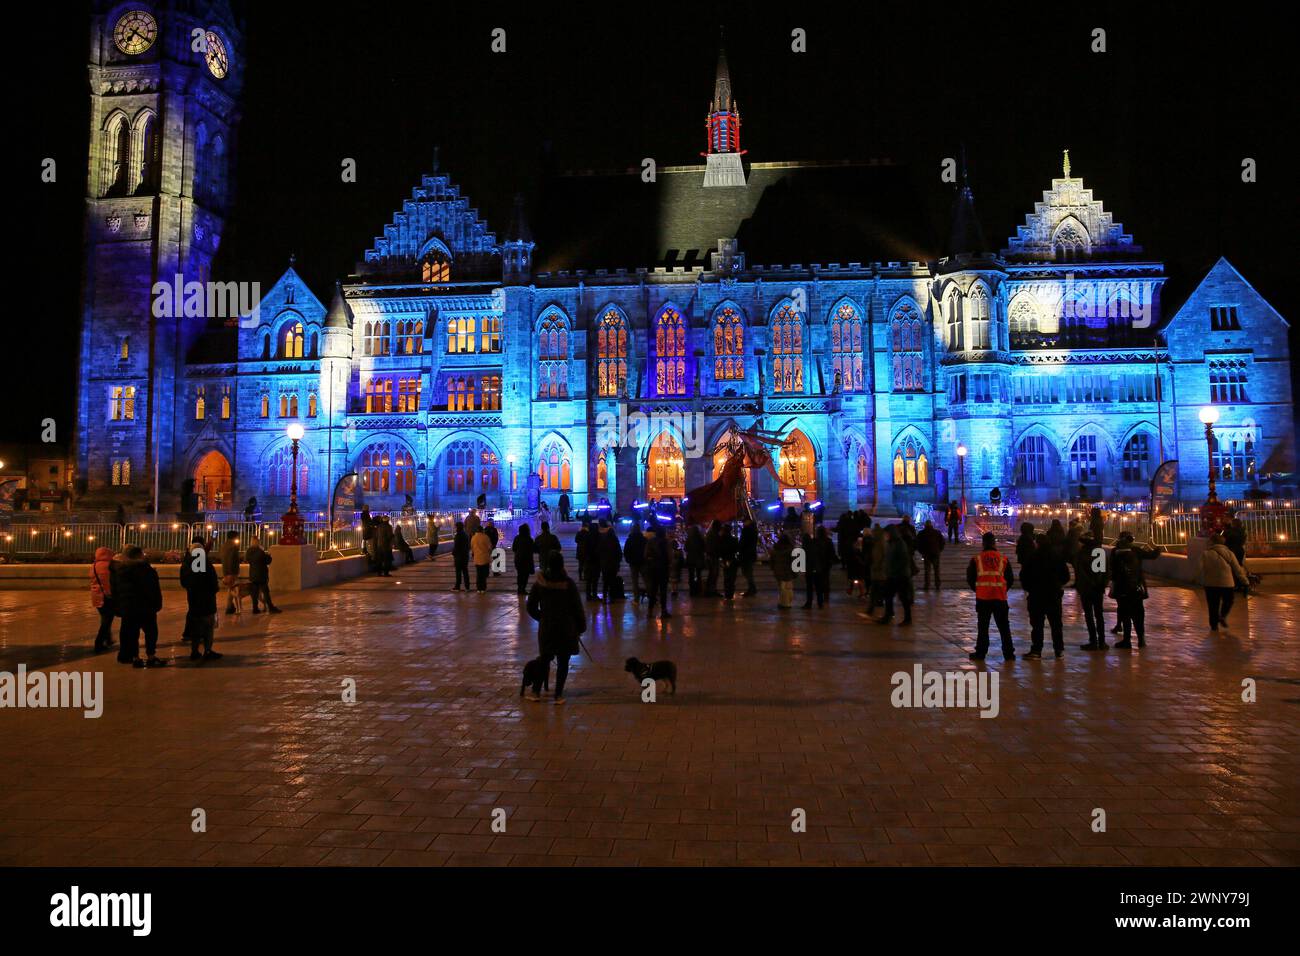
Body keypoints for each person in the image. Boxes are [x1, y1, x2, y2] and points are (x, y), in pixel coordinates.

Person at [525, 550, 587, 704]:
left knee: (544, 660)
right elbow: (577, 608)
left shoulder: (540, 583)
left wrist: (542, 617)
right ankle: (558, 694)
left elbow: (531, 605)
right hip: (565, 628)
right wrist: (580, 626)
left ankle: (536, 692)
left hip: (547, 627)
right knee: (563, 662)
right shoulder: (568, 584)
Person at [113, 545, 165, 668]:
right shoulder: (147, 570)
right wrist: (157, 604)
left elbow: (116, 591)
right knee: (151, 632)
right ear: (140, 555)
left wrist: (119, 608)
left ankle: (135, 658)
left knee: (132, 634)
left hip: (129, 608)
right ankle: (151, 656)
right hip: (146, 607)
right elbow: (154, 590)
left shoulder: (121, 571)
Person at [966, 532, 1015, 662]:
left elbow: (970, 578)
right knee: (1004, 627)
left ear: (983, 543)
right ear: (994, 543)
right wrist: (1003, 589)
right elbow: (1010, 578)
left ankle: (981, 653)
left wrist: (978, 589)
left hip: (983, 598)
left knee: (983, 627)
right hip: (1000, 597)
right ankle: (1009, 654)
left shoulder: (977, 559)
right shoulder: (1003, 558)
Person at [1109, 531, 1161, 649]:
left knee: (1125, 614)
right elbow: (1152, 555)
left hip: (1122, 590)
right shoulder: (1136, 551)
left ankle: (1126, 640)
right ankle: (1141, 639)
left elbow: (1112, 571)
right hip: (1137, 588)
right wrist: (1157, 547)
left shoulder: (1115, 553)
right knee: (1138, 614)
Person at [1022, 536, 1070, 658]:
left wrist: (1030, 588)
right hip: (1053, 595)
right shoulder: (1057, 557)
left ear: (1037, 543)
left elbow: (1024, 576)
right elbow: (1066, 576)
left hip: (1036, 595)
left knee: (1037, 625)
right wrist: (1057, 585)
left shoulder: (1032, 557)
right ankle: (1059, 650)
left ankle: (1037, 650)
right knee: (1056, 624)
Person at [179, 536, 222, 662]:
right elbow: (212, 581)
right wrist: (213, 590)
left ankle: (194, 651)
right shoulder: (205, 563)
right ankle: (207, 650)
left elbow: (184, 582)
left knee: (196, 627)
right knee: (208, 627)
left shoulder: (186, 563)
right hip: (207, 601)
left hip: (193, 599)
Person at [1201, 532, 1248, 633]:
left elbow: (1199, 569)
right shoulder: (1229, 553)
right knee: (1229, 600)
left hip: (1210, 584)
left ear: (1212, 542)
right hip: (1226, 583)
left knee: (1213, 605)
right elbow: (1237, 569)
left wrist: (1202, 579)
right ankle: (1223, 615)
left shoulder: (1206, 553)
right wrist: (1245, 581)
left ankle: (1214, 626)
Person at [1073, 531, 1110, 650]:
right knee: (1099, 615)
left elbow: (1081, 572)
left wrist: (1083, 585)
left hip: (1086, 589)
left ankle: (1093, 641)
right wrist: (1102, 584)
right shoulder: (1100, 552)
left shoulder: (1082, 553)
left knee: (1089, 615)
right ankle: (1102, 641)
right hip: (1098, 589)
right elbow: (1105, 572)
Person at [878, 525, 914, 626]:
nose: (885, 536)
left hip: (901, 575)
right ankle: (888, 615)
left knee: (903, 598)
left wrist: (894, 570)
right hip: (892, 575)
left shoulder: (899, 543)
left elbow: (903, 560)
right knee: (888, 595)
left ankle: (908, 619)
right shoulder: (890, 543)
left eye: (887, 534)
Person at [89, 545, 117, 652]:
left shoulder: (94, 565)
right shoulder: (108, 566)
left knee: (105, 618)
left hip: (96, 595)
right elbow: (107, 582)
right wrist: (110, 594)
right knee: (107, 620)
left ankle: (108, 639)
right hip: (105, 596)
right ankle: (99, 643)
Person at [802, 525, 837, 609]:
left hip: (812, 567)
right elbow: (831, 554)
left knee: (810, 586)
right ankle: (821, 601)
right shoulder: (828, 541)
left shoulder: (813, 542)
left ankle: (809, 602)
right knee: (820, 585)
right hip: (822, 566)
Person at [245, 536, 281, 613]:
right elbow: (267, 561)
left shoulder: (249, 551)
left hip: (253, 574)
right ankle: (270, 607)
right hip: (261, 574)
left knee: (254, 593)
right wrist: (269, 555)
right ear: (257, 542)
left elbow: (248, 560)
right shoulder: (260, 551)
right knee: (265, 592)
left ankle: (255, 608)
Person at [645, 526, 671, 619]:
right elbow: (669, 556)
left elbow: (646, 554)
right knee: (663, 590)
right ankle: (664, 611)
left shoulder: (651, 541)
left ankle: (650, 611)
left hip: (653, 569)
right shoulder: (666, 542)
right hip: (663, 568)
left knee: (653, 590)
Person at [916, 519, 945, 590]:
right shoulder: (937, 532)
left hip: (926, 554)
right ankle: (937, 585)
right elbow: (942, 542)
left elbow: (918, 544)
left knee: (927, 570)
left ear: (924, 525)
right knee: (936, 570)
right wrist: (939, 550)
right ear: (932, 525)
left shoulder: (921, 533)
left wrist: (921, 552)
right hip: (935, 553)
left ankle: (927, 586)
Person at [597, 520, 622, 601]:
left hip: (604, 562)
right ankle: (612, 597)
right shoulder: (614, 538)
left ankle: (604, 596)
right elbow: (618, 551)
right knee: (612, 580)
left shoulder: (600, 537)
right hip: (613, 562)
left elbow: (599, 550)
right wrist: (619, 561)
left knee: (605, 580)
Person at [770, 531, 796, 609]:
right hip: (788, 571)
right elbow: (793, 562)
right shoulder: (791, 550)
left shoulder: (776, 550)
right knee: (788, 588)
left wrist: (773, 568)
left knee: (782, 588)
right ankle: (787, 603)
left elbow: (772, 561)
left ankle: (783, 602)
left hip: (779, 571)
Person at [623, 519, 647, 602]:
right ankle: (651, 596)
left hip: (633, 563)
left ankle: (636, 598)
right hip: (642, 562)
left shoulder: (630, 539)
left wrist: (628, 560)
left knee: (635, 582)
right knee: (646, 580)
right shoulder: (643, 539)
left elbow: (626, 551)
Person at [219, 531, 241, 614]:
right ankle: (229, 607)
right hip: (231, 571)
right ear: (234, 537)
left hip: (225, 570)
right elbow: (231, 560)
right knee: (232, 590)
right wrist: (231, 573)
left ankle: (231, 606)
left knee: (231, 589)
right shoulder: (233, 547)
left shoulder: (223, 546)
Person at [868, 525, 888, 613]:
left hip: (880, 572)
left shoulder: (881, 545)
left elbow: (883, 558)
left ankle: (886, 611)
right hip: (877, 572)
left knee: (878, 591)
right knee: (874, 591)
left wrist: (878, 566)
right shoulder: (877, 544)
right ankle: (871, 608)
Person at [512, 524, 536, 595]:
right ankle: (523, 589)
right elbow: (533, 549)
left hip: (518, 560)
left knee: (520, 575)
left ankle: (520, 589)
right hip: (527, 561)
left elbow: (514, 548)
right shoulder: (529, 539)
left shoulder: (517, 538)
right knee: (525, 575)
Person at [738, 517, 759, 597]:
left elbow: (743, 542)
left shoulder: (747, 530)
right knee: (748, 572)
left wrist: (739, 548)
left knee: (747, 572)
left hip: (746, 554)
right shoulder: (753, 529)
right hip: (750, 553)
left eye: (744, 522)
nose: (743, 523)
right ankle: (752, 588)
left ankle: (752, 588)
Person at [718, 522, 740, 600]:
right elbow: (737, 549)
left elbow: (720, 551)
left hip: (725, 560)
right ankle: (730, 593)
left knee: (726, 577)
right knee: (732, 578)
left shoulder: (721, 540)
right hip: (733, 560)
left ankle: (727, 594)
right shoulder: (734, 540)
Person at [685, 524, 706, 596]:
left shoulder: (689, 539)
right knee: (698, 575)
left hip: (690, 559)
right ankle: (698, 590)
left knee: (691, 575)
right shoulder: (700, 539)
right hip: (698, 559)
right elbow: (704, 549)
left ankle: (692, 590)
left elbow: (685, 549)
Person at [471, 524, 493, 592]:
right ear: (482, 530)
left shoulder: (473, 538)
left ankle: (479, 588)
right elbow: (490, 547)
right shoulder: (485, 537)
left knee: (479, 574)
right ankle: (483, 588)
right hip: (484, 558)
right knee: (484, 574)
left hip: (477, 558)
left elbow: (472, 548)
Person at [704, 520, 723, 597]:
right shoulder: (715, 534)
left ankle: (709, 590)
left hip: (710, 556)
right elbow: (717, 546)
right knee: (714, 575)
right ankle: (712, 591)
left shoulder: (710, 533)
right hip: (714, 557)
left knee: (712, 574)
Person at [451, 521, 471, 591]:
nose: (455, 528)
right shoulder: (466, 534)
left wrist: (453, 553)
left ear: (457, 527)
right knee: (465, 571)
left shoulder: (458, 535)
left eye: (455, 527)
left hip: (459, 556)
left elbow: (456, 546)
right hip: (465, 556)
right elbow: (468, 546)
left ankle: (457, 586)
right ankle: (467, 587)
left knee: (458, 572)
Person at [360, 505, 376, 569]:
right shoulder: (365, 514)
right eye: (367, 508)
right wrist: (372, 525)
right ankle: (367, 553)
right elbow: (368, 522)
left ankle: (364, 550)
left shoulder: (365, 514)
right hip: (367, 531)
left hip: (366, 531)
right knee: (369, 545)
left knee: (365, 541)